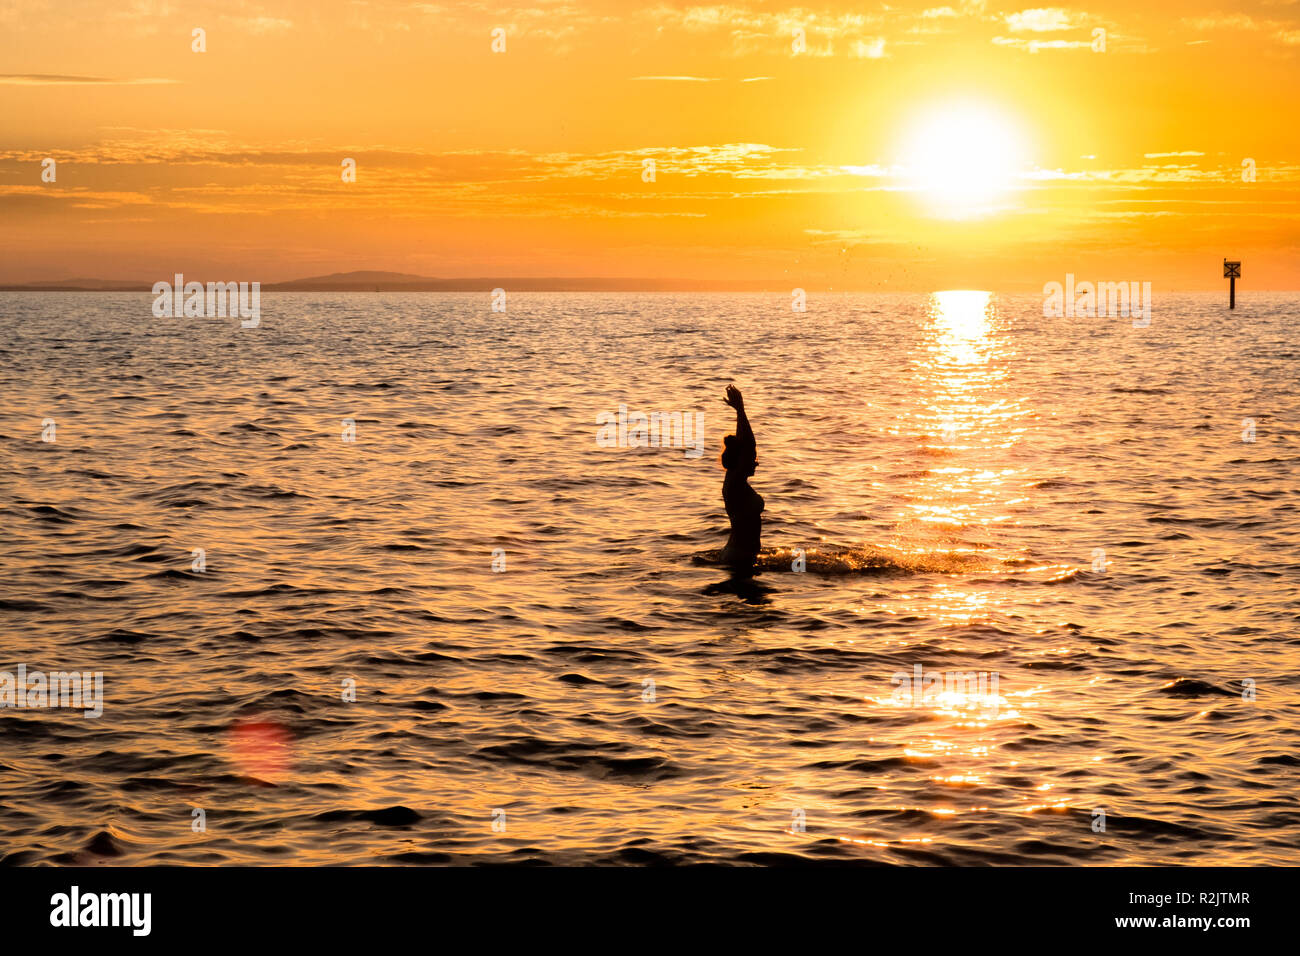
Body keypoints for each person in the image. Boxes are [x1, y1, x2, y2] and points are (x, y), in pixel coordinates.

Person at [719, 384, 764, 573]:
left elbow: (744, 445)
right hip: (739, 557)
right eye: (753, 460)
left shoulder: (733, 479)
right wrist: (741, 410)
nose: (756, 463)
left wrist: (739, 413)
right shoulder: (735, 483)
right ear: (741, 461)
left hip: (739, 555)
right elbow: (748, 446)